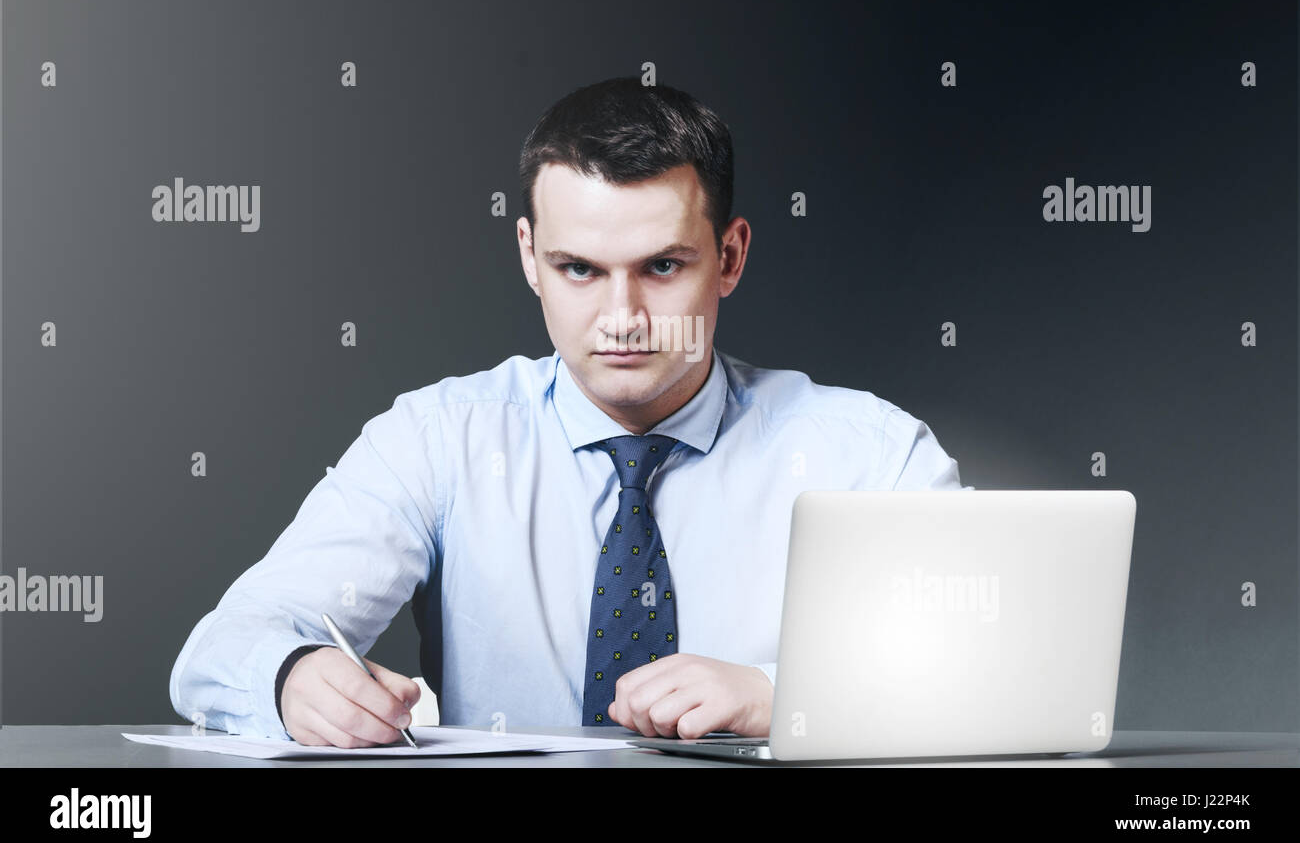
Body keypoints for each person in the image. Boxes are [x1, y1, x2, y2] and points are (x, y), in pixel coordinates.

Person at [169, 76, 970, 748]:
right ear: (529, 257)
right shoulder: (439, 440)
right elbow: (224, 645)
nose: (621, 316)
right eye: (579, 268)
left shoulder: (872, 457)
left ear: (729, 257)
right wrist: (290, 677)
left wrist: (781, 696)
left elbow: (991, 665)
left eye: (662, 265)